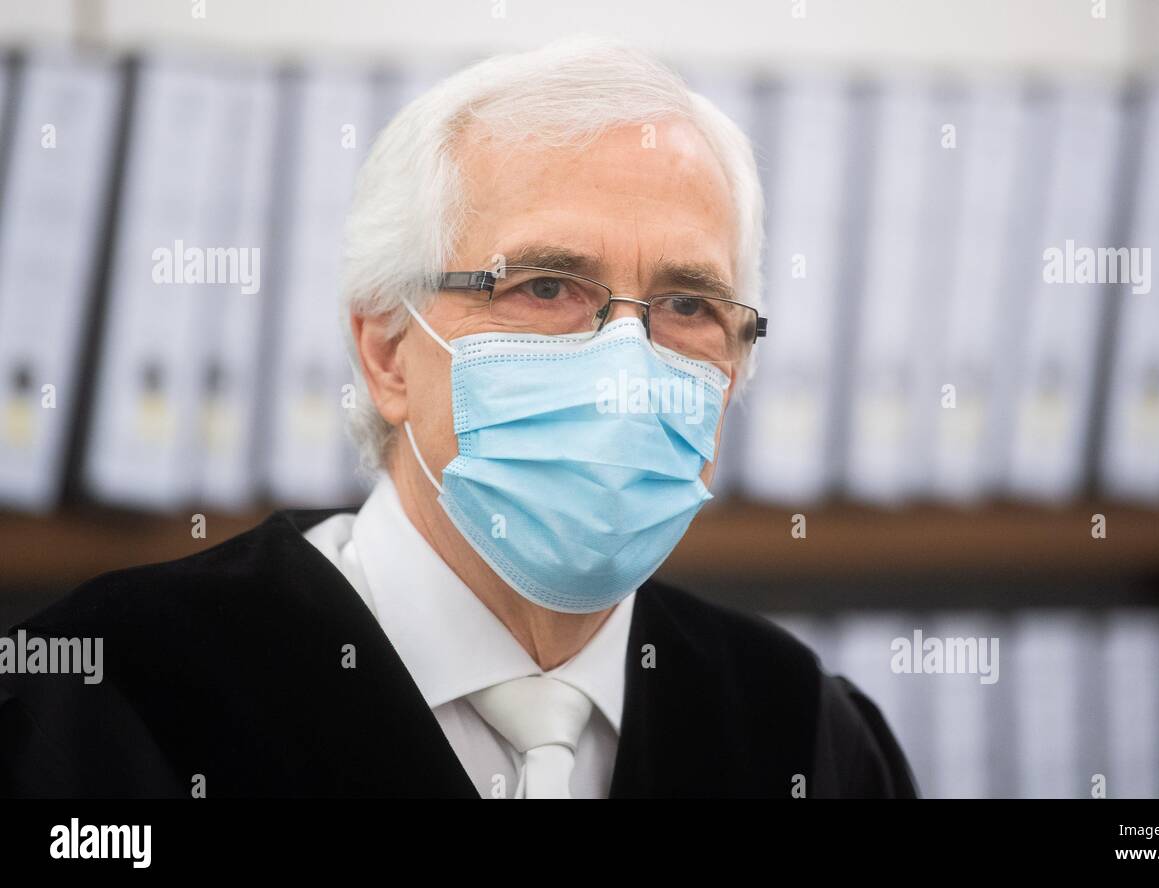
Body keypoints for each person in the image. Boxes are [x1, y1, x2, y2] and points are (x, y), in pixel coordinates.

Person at [0, 36, 916, 799]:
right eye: (547, 286)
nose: (628, 368)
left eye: (687, 305)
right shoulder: (109, 699)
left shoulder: (803, 733)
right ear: (389, 350)